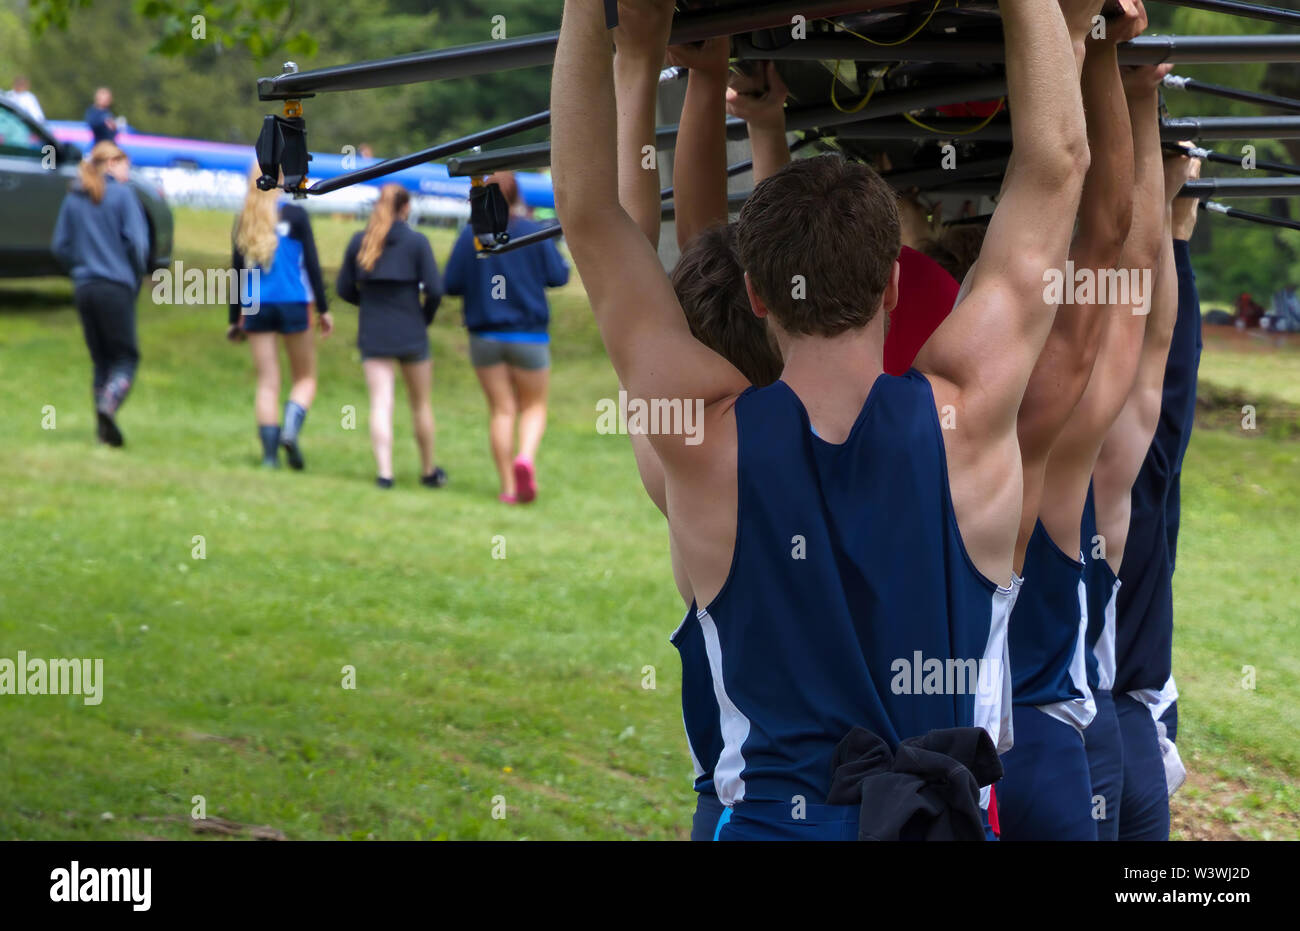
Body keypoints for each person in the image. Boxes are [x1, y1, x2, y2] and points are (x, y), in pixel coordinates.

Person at [554, 0, 1089, 839]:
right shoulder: (973, 411)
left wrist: (600, 19)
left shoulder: (700, 439)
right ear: (893, 288)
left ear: (757, 294)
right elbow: (1056, 164)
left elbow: (589, 212)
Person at [994, 1, 1153, 842]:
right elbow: (1113, 246)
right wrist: (1098, 51)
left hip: (926, 763)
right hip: (1047, 757)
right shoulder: (1040, 446)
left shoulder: (868, 421)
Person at [1106, 153, 1204, 841]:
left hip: (1058, 739)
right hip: (1125, 733)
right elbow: (1167, 364)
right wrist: (1172, 231)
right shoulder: (1128, 468)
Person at [443, 172, 570, 504]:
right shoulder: (534, 233)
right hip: (529, 336)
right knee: (533, 406)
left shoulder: (471, 236)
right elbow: (558, 276)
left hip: (484, 335)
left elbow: (450, 283)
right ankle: (525, 458)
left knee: (502, 410)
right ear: (518, 197)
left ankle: (508, 488)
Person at [336, 184, 447, 489]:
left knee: (380, 402)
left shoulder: (361, 241)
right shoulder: (417, 242)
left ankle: (385, 473)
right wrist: (423, 318)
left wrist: (369, 305)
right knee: (420, 404)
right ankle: (428, 470)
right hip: (411, 330)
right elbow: (436, 290)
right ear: (406, 208)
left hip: (374, 331)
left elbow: (344, 289)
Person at [228, 168, 332, 469]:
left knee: (267, 383)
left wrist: (235, 319)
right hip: (293, 302)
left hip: (256, 305)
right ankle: (290, 430)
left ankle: (270, 457)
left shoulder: (244, 219)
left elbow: (236, 273)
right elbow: (312, 266)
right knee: (305, 377)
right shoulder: (296, 216)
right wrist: (324, 310)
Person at [51, 140, 149, 447]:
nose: (126, 172)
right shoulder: (122, 196)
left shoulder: (74, 197)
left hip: (85, 287)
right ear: (110, 164)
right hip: (115, 285)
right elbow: (139, 245)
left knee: (101, 361)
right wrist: (135, 275)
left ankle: (102, 430)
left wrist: (80, 268)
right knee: (125, 358)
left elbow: (59, 246)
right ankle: (108, 406)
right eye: (123, 165)